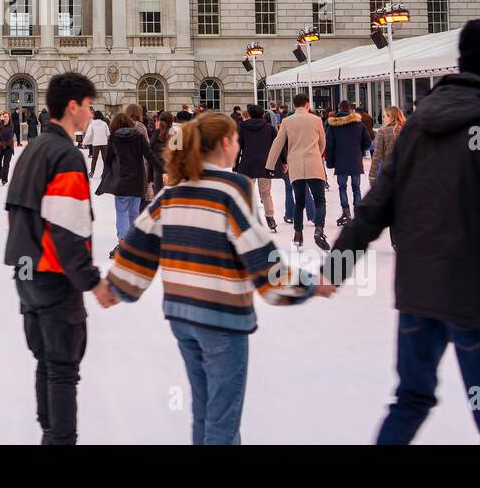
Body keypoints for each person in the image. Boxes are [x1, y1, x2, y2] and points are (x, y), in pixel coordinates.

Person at [325, 19, 480, 445]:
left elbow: (377, 203)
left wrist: (335, 268)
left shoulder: (418, 124)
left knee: (411, 400)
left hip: (419, 294)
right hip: (479, 297)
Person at [104, 112, 328, 444]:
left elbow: (139, 242)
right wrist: (309, 285)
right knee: (222, 420)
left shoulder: (174, 190)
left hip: (182, 317)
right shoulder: (231, 188)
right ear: (225, 144)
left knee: (204, 411)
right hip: (221, 319)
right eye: (236, 139)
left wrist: (118, 287)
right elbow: (263, 262)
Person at [4, 72, 118, 445]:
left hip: (25, 275)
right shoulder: (66, 156)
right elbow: (68, 231)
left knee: (47, 364)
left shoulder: (32, 150)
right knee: (63, 370)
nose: (90, 113)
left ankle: (49, 433)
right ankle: (59, 439)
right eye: (87, 106)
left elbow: (14, 215)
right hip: (54, 278)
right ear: (72, 107)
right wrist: (92, 281)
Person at [265, 92, 329, 250]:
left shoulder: (287, 121)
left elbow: (277, 144)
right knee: (320, 200)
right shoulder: (316, 120)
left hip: (296, 166)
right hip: (314, 164)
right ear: (307, 104)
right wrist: (316, 154)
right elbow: (322, 143)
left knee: (299, 202)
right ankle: (319, 230)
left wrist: (270, 165)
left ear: (294, 105)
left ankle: (298, 234)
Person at [96, 112, 161, 258]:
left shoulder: (113, 138)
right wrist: (162, 170)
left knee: (121, 211)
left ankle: (124, 241)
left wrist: (104, 179)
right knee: (134, 212)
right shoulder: (138, 137)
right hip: (138, 180)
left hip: (122, 180)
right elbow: (150, 156)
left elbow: (108, 161)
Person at [325, 100, 372, 226]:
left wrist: (330, 162)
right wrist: (359, 150)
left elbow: (329, 145)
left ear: (339, 109)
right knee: (356, 187)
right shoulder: (358, 124)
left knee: (342, 187)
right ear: (350, 109)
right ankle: (358, 213)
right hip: (355, 160)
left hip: (340, 160)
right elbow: (368, 142)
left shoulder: (333, 126)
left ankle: (346, 212)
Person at [235, 104, 278, 232]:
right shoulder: (269, 129)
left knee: (246, 192)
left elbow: (238, 147)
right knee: (266, 193)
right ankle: (270, 217)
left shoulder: (243, 128)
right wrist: (282, 162)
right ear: (262, 114)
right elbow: (276, 146)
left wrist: (235, 164)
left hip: (248, 163)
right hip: (265, 164)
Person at [370, 106, 405, 184]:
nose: (383, 119)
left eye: (384, 116)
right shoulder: (407, 129)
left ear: (390, 117)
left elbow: (377, 155)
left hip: (387, 170)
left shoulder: (383, 131)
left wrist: (372, 175)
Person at [81, 109, 109, 178]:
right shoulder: (104, 123)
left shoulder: (92, 124)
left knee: (94, 159)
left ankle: (92, 172)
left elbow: (88, 134)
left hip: (96, 143)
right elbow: (108, 133)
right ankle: (106, 173)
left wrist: (84, 142)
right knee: (105, 159)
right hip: (104, 143)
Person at [0, 112, 15, 184]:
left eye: (7, 117)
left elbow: (4, 132)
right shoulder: (0, 125)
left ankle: (4, 179)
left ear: (9, 118)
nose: (6, 118)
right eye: (4, 117)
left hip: (9, 146)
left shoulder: (11, 126)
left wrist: (1, 122)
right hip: (1, 146)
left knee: (6, 163)